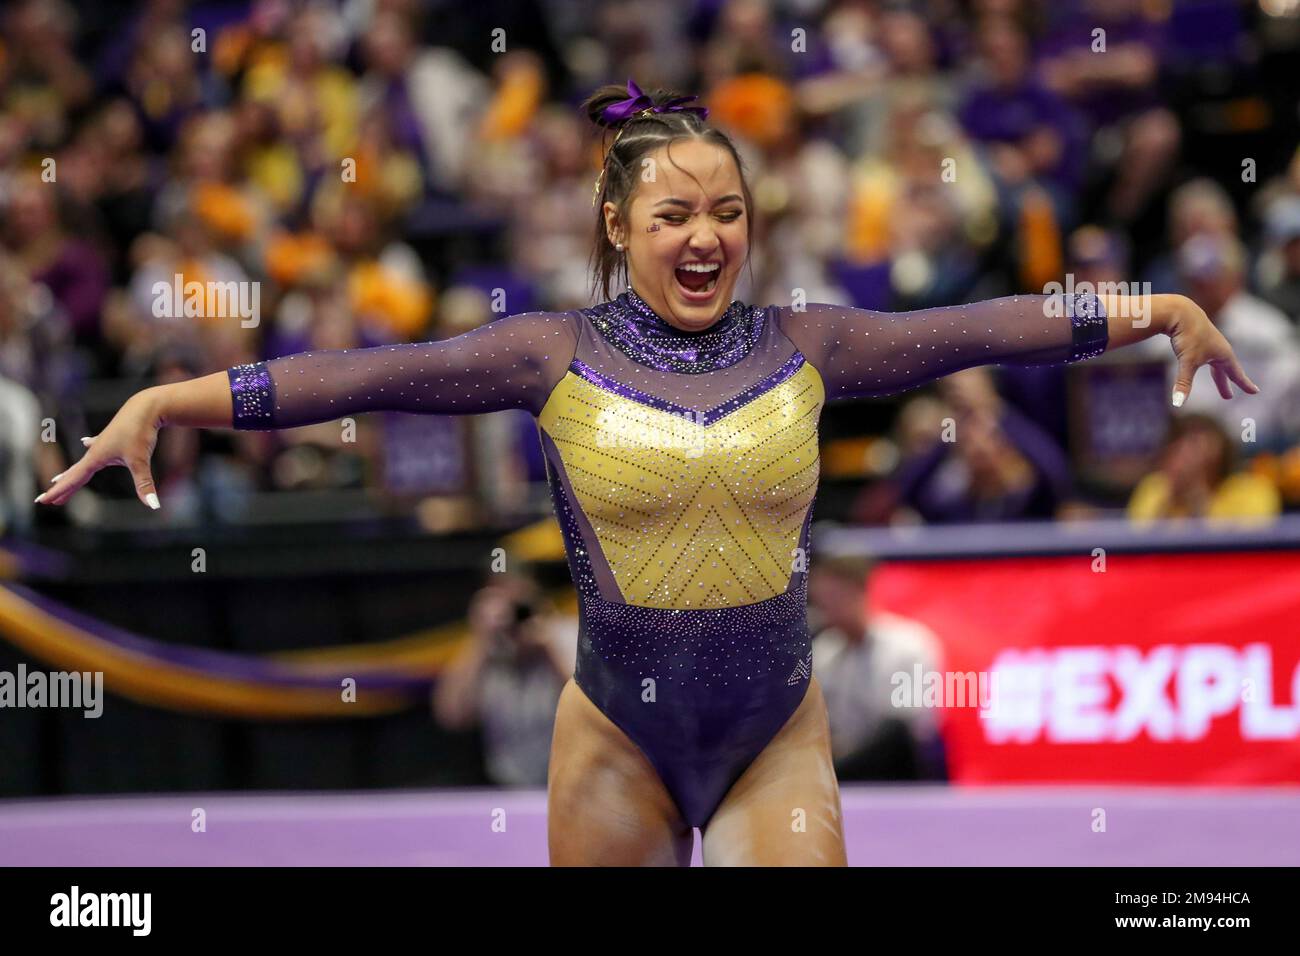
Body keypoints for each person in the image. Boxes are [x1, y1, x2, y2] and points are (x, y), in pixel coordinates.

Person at [38, 80, 1259, 866]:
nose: (706, 238)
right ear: (617, 224)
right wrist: (167, 395)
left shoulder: (809, 342)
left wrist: (1149, 307)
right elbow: (361, 376)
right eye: (674, 213)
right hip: (616, 734)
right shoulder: (546, 353)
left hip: (773, 728)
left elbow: (990, 326)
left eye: (726, 212)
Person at [1127, 412, 1280, 526]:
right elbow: (1139, 546)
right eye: (1182, 445)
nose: (1191, 456)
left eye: (1198, 445)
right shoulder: (1154, 487)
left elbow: (1250, 546)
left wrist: (1197, 499)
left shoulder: (1254, 489)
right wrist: (1170, 499)